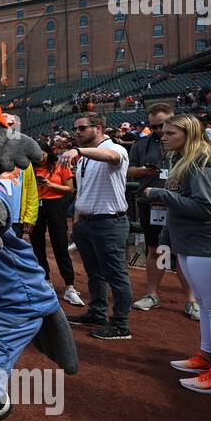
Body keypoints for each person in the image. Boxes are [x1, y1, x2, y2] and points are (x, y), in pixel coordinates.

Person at [144, 114, 211, 396]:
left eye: (169, 133)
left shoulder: (203, 162)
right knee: (206, 305)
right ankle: (208, 358)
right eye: (162, 132)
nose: (162, 137)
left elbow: (207, 208)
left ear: (189, 134)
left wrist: (159, 193)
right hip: (195, 244)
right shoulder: (186, 160)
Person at [62, 114, 133, 340]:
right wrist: (77, 225)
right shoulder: (84, 158)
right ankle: (97, 313)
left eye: (82, 128)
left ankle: (121, 325)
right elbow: (82, 193)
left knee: (116, 275)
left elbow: (111, 157)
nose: (77, 132)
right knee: (94, 274)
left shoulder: (114, 148)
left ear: (98, 128)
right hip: (87, 223)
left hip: (110, 222)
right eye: (75, 129)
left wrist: (79, 151)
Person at [128, 103, 200, 319]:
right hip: (151, 204)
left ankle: (191, 300)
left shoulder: (187, 147)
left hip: (180, 204)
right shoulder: (141, 145)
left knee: (182, 252)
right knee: (157, 249)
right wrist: (143, 170)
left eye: (162, 126)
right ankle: (152, 294)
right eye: (154, 126)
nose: (158, 131)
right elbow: (130, 170)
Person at [31, 138, 83, 305]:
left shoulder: (60, 165)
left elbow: (70, 189)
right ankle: (45, 281)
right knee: (37, 245)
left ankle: (70, 286)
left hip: (55, 204)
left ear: (48, 152)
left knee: (60, 244)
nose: (40, 158)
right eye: (36, 155)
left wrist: (49, 184)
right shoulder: (28, 168)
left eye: (43, 154)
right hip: (35, 205)